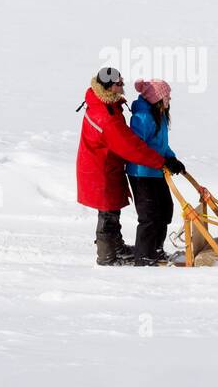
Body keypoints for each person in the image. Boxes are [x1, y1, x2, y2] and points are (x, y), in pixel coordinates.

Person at [75, 67, 185, 266]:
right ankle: (108, 256)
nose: (122, 86)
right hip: (99, 168)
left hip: (107, 164)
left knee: (112, 210)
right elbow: (131, 147)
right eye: (118, 84)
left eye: (122, 82)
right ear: (107, 87)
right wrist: (161, 161)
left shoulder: (106, 104)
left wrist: (169, 158)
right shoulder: (106, 117)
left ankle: (117, 248)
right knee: (108, 211)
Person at [126, 78, 179, 266]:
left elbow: (161, 145)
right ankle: (144, 256)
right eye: (167, 96)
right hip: (141, 173)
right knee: (149, 216)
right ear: (157, 98)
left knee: (165, 211)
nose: (169, 99)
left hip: (157, 171)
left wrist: (172, 158)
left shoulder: (160, 115)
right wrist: (162, 161)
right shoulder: (142, 117)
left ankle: (156, 249)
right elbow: (137, 147)